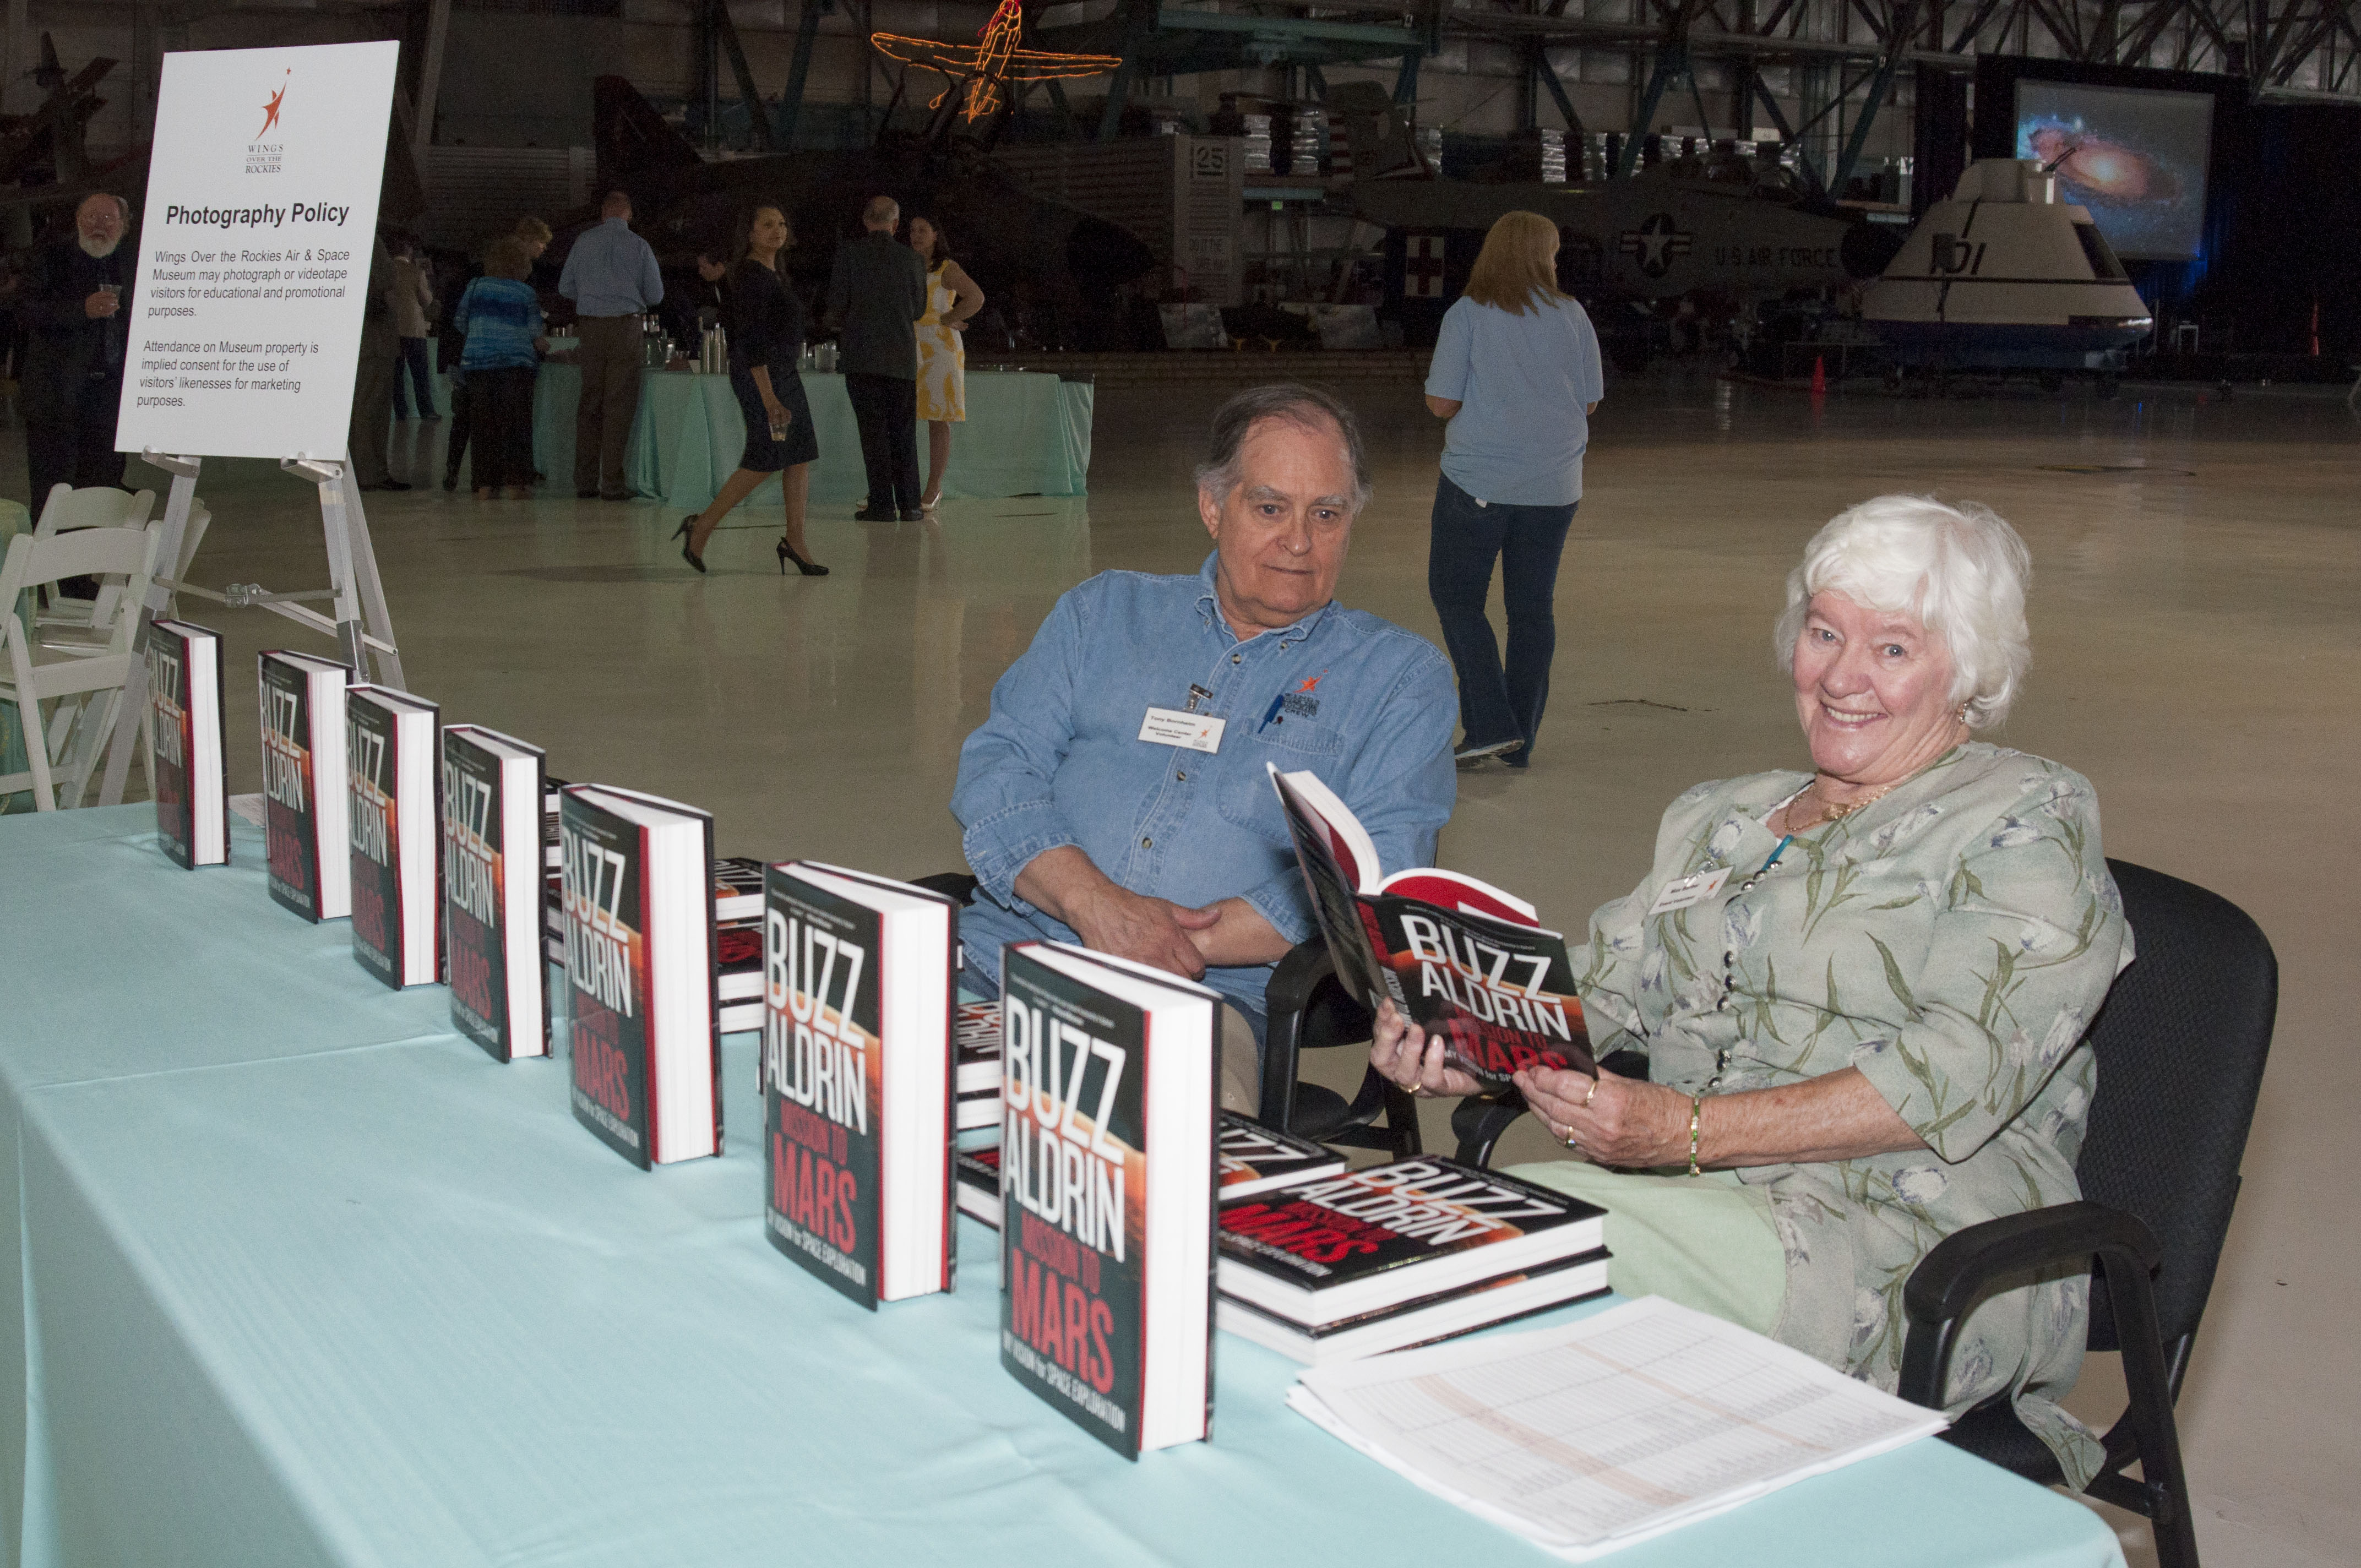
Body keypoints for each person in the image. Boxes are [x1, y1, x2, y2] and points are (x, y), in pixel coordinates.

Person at [1369, 495, 2132, 1488]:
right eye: (1823, 632)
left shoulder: (2027, 817)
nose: (1842, 676)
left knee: (1480, 1264)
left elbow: (1952, 1073)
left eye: (1892, 648)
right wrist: (1458, 1040)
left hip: (1917, 1241)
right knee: (1414, 1244)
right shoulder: (1717, 815)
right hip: (1696, 1202)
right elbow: (1594, 992)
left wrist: (1685, 1131)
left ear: (1969, 670)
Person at [950, 383, 1456, 1093]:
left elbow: (1378, 875)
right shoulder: (1102, 614)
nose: (1299, 541)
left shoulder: (1399, 680)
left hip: (1202, 1007)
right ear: (1212, 507)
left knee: (1162, 1168)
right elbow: (998, 772)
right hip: (999, 964)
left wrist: (1157, 940)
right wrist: (1094, 904)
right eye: (1270, 507)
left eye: (1327, 513)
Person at [1422, 210, 1602, 770]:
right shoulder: (1572, 315)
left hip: (1480, 482)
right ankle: (1519, 736)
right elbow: (1591, 399)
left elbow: (1441, 403)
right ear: (1540, 257)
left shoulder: (1467, 315)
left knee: (1457, 599)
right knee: (1530, 611)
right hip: (1554, 487)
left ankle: (1489, 726)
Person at [677, 205, 826, 578]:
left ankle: (796, 540)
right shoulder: (752, 277)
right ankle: (703, 525)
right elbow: (750, 341)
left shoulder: (775, 274)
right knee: (765, 458)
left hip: (784, 375)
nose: (777, 230)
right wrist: (770, 397)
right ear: (751, 234)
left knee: (799, 455)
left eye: (781, 223)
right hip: (763, 377)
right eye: (767, 225)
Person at [18, 193, 132, 508]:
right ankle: (50, 552)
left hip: (110, 394)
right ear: (78, 221)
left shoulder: (132, 262)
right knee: (54, 488)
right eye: (92, 218)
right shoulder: (50, 257)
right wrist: (81, 310)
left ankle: (96, 548)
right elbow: (24, 311)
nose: (100, 226)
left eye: (109, 219)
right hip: (57, 396)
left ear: (123, 226)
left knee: (103, 483)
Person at [826, 195, 928, 521]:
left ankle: (882, 503)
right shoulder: (912, 260)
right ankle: (911, 504)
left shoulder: (849, 255)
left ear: (865, 222)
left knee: (873, 433)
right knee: (904, 432)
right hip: (901, 359)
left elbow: (836, 309)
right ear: (896, 225)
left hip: (863, 358)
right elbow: (918, 309)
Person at [558, 190, 663, 500]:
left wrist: (593, 295)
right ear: (628, 214)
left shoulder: (582, 242)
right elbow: (656, 295)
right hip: (625, 328)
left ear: (603, 213)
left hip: (590, 328)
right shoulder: (640, 246)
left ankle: (585, 482)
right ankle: (613, 484)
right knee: (618, 405)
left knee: (590, 403)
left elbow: (565, 287)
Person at [444, 219, 552, 492]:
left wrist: (483, 333)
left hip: (478, 364)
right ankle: (517, 484)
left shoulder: (476, 286)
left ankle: (483, 486)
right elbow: (535, 333)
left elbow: (459, 322)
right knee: (517, 423)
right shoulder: (525, 292)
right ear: (522, 264)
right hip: (516, 365)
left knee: (483, 425)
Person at [905, 216, 983, 512]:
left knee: (937, 418)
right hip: (909, 343)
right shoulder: (906, 264)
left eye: (922, 230)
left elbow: (976, 297)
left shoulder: (946, 268)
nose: (916, 236)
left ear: (936, 234)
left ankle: (934, 486)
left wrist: (948, 318)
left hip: (939, 346)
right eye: (911, 230)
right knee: (903, 417)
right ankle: (899, 485)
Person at [346, 232, 407, 491]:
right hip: (374, 342)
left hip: (360, 340)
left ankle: (364, 472)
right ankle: (371, 474)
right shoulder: (370, 240)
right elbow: (387, 275)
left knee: (362, 408)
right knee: (371, 410)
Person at [388, 235, 438, 420]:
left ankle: (401, 411)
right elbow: (427, 300)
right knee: (420, 373)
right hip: (413, 327)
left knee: (396, 374)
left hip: (392, 327)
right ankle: (426, 410)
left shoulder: (387, 271)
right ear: (409, 250)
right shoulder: (416, 271)